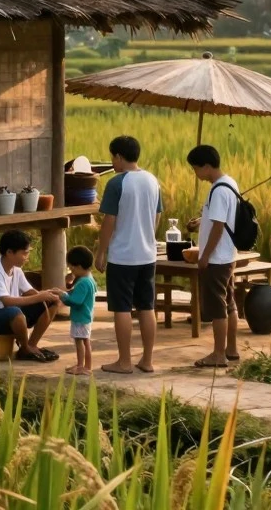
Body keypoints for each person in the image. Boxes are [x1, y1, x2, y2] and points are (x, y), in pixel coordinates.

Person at [92, 134, 162, 374]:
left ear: (119, 157)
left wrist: (101, 252)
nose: (112, 162)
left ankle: (124, 362)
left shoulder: (117, 183)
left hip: (123, 256)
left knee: (121, 308)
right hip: (147, 255)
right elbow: (158, 214)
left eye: (113, 157)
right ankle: (147, 360)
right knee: (146, 306)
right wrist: (148, 235)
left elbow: (109, 221)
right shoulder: (152, 180)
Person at [183, 143, 241, 368]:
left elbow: (218, 226)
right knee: (229, 303)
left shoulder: (218, 190)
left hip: (216, 258)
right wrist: (202, 221)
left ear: (206, 166)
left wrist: (204, 255)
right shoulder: (230, 183)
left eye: (196, 168)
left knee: (218, 307)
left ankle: (218, 354)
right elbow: (219, 220)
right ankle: (231, 349)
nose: (195, 173)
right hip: (228, 255)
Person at [0, 230, 60, 362]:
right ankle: (24, 348)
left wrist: (48, 294)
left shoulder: (16, 269)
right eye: (24, 253)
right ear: (9, 252)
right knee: (15, 313)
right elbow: (7, 302)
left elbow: (29, 291)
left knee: (51, 303)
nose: (27, 256)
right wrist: (39, 297)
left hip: (10, 312)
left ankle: (31, 345)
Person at [64, 245, 98, 375]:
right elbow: (78, 292)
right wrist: (69, 284)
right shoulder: (89, 278)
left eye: (72, 267)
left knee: (80, 342)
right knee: (85, 341)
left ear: (78, 266)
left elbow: (76, 301)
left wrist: (63, 297)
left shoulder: (83, 282)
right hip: (86, 316)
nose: (71, 270)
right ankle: (85, 366)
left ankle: (81, 366)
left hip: (80, 317)